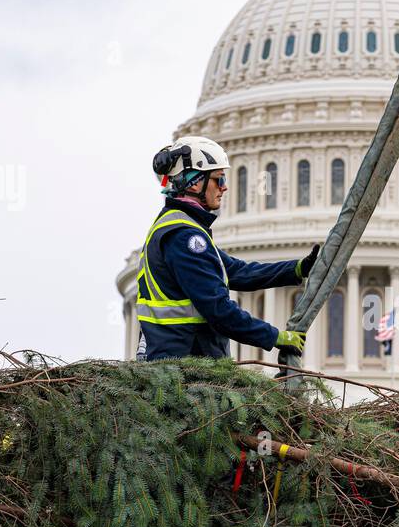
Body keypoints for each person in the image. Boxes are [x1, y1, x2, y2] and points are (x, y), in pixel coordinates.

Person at [135, 136, 319, 361]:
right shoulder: (185, 237)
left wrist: (297, 269)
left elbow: (238, 272)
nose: (225, 187)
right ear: (194, 182)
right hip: (187, 365)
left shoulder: (181, 227)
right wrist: (276, 337)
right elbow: (218, 310)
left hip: (182, 359)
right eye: (218, 179)